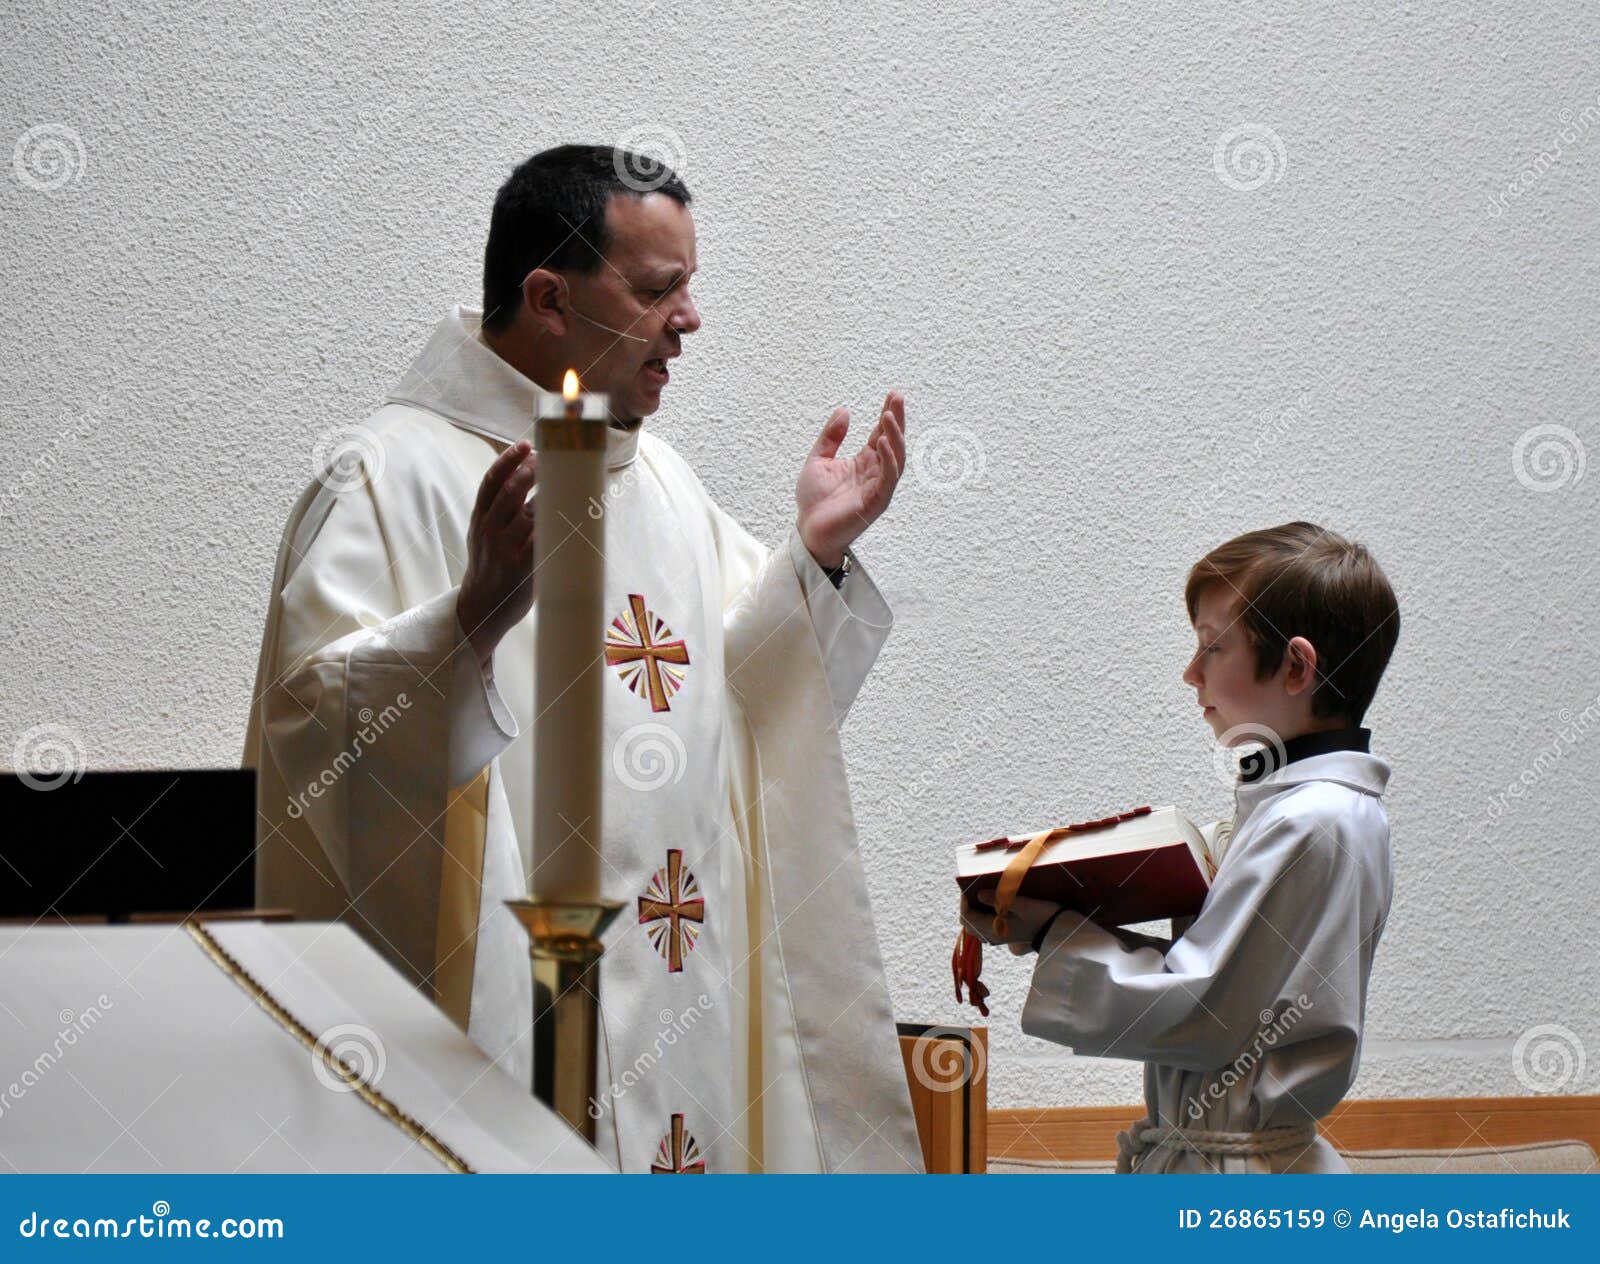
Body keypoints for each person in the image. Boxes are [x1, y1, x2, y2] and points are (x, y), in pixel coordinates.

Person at [244, 144, 921, 1173]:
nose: (689, 321)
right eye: (660, 290)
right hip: (510, 1011)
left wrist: (812, 559)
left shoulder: (665, 485)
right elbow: (311, 733)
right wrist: (464, 626)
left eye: (689, 286)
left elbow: (742, 696)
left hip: (683, 1001)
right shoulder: (389, 475)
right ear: (549, 298)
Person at [961, 522, 1400, 1173]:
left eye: (1212, 648)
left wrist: (1058, 930)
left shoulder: (1314, 822)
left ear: (1295, 667)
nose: (1190, 672)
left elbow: (1203, 1012)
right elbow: (1236, 996)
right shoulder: (1307, 811)